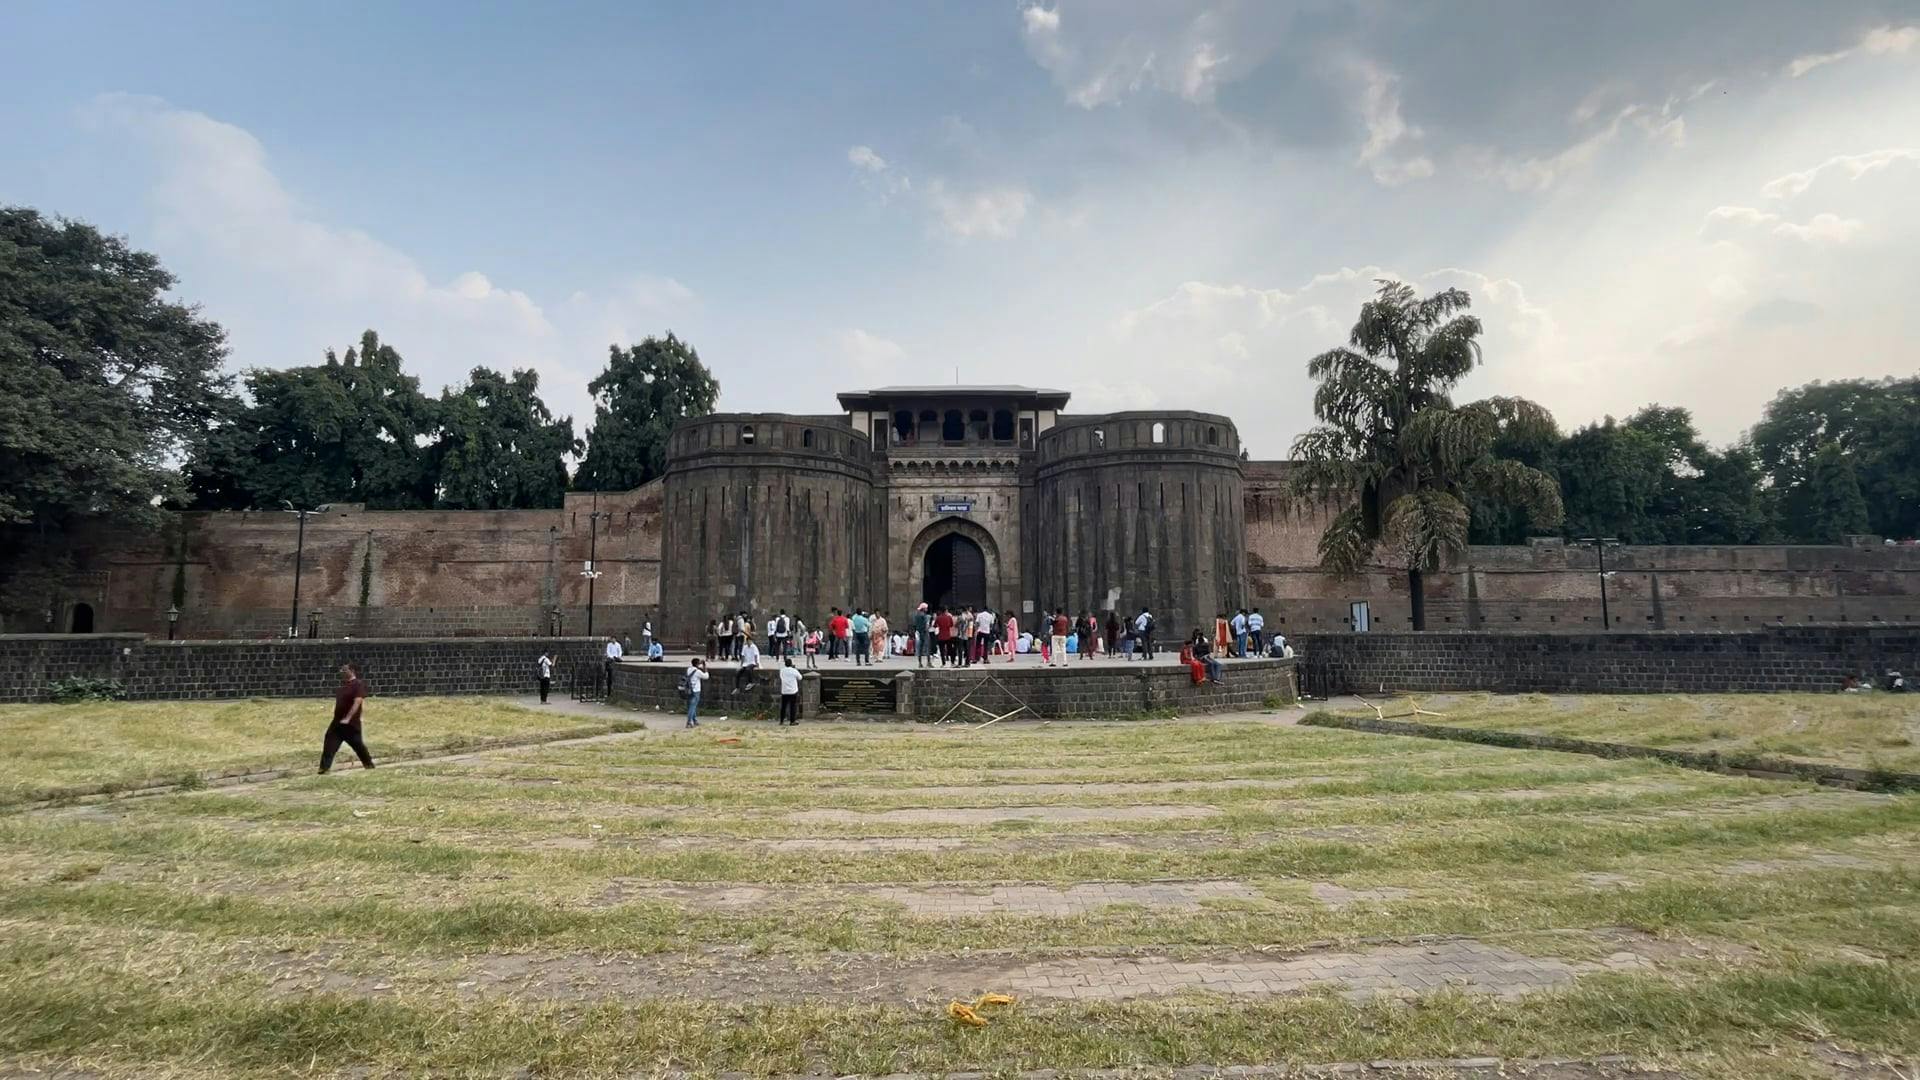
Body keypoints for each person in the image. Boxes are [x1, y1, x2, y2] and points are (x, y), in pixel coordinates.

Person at [319, 662, 376, 773]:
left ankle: (369, 765)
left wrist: (348, 718)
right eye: (342, 670)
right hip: (337, 722)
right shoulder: (343, 686)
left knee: (358, 746)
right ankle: (324, 769)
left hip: (350, 724)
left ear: (352, 670)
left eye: (345, 670)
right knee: (329, 743)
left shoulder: (358, 684)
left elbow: (357, 702)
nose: (342, 672)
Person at [682, 658, 709, 727]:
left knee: (690, 705)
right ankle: (689, 721)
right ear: (697, 664)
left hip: (689, 690)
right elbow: (706, 676)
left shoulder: (689, 669)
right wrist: (705, 667)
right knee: (693, 706)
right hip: (696, 690)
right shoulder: (697, 672)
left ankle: (694, 720)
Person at [777, 657, 803, 724]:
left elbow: (781, 676)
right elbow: (800, 677)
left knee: (783, 706)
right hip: (792, 691)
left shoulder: (782, 670)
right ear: (791, 664)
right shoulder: (794, 670)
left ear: (785, 664)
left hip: (784, 691)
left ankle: (781, 720)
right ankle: (792, 721)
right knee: (793, 706)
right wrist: (794, 669)